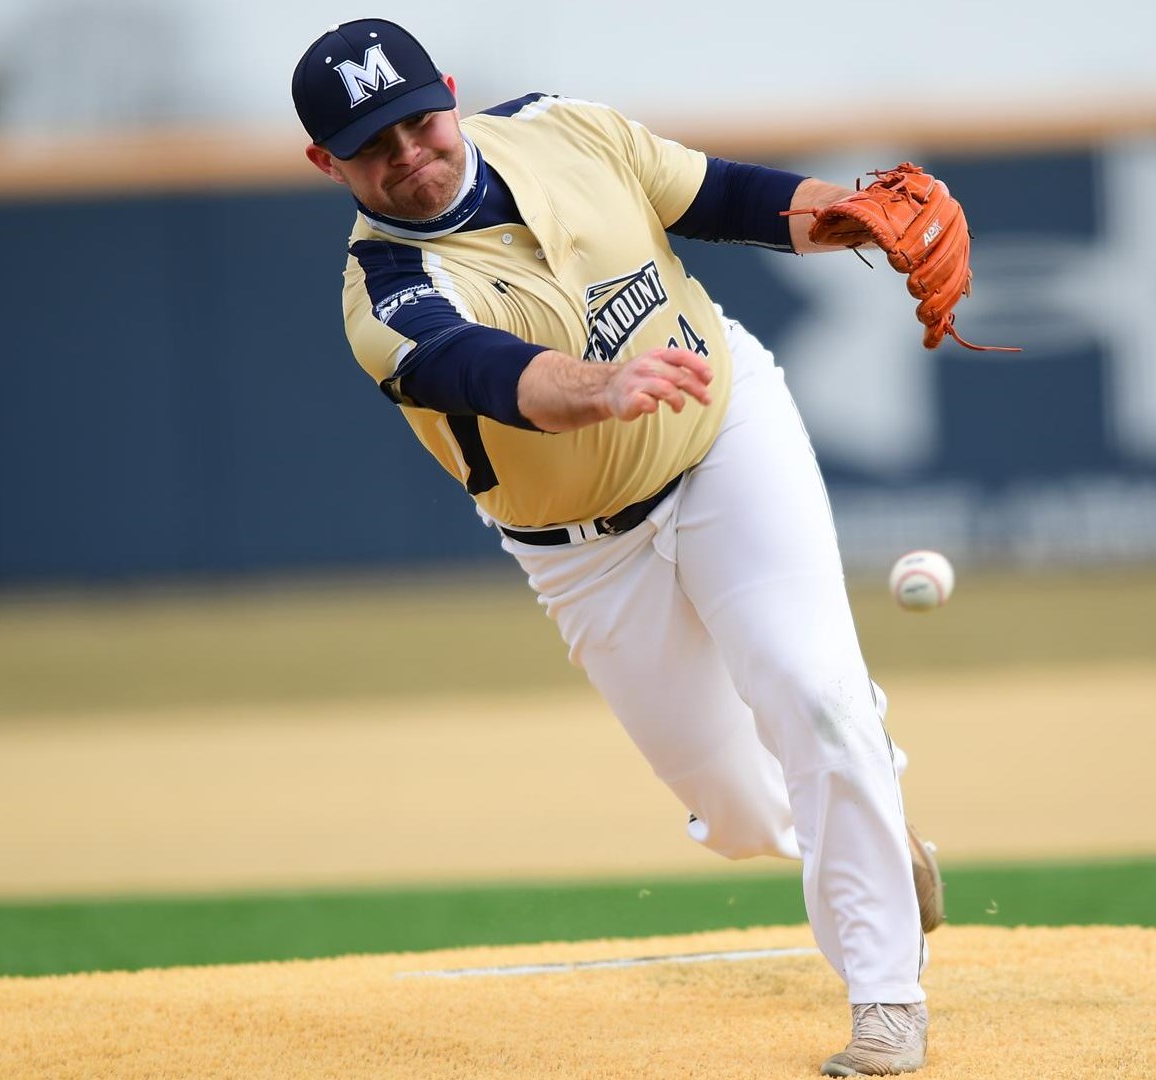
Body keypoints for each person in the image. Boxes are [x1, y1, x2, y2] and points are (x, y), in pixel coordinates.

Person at [292, 19, 962, 1076]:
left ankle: (886, 999)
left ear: (449, 94)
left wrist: (839, 216)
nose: (410, 155)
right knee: (740, 813)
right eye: (374, 147)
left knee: (813, 691)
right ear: (325, 162)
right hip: (581, 549)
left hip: (724, 433)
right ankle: (877, 820)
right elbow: (483, 370)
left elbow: (717, 194)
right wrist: (598, 385)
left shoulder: (563, 128)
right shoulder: (382, 290)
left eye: (420, 123)